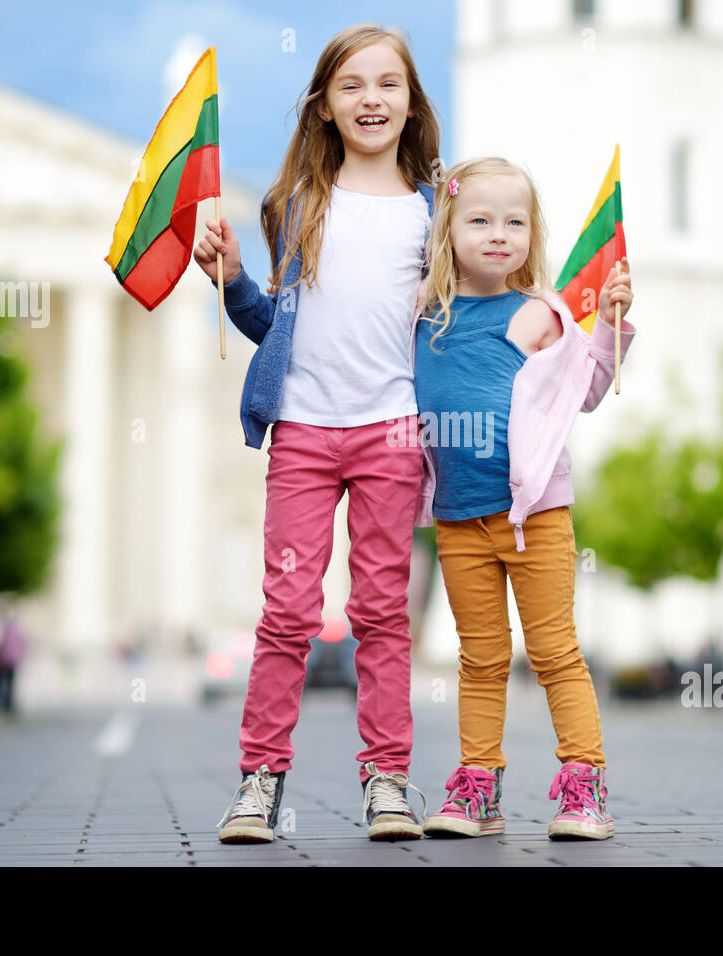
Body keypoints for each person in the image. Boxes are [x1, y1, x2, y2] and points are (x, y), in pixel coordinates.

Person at [192, 24, 442, 843]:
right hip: (302, 429)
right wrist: (231, 281)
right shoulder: (296, 205)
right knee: (288, 613)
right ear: (326, 107)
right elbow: (276, 326)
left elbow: (457, 318)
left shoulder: (432, 211)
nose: (371, 99)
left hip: (392, 434)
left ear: (410, 103)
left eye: (388, 85)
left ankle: (388, 781)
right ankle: (259, 780)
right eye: (352, 87)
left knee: (381, 612)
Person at [409, 157, 635, 840]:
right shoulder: (423, 315)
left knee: (554, 652)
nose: (497, 234)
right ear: (449, 230)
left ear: (532, 235)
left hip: (535, 516)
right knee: (479, 659)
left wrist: (613, 324)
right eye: (479, 220)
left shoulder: (542, 314)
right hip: (456, 520)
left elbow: (589, 390)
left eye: (514, 221)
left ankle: (583, 784)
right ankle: (478, 787)